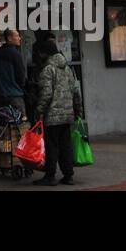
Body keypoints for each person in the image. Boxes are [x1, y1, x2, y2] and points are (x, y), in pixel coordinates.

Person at [32, 37, 81, 186]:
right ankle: (68, 175)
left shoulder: (48, 69)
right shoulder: (66, 68)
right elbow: (75, 90)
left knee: (51, 145)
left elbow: (46, 94)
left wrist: (38, 111)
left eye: (39, 53)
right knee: (65, 145)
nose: (38, 56)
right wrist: (77, 109)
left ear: (44, 53)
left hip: (52, 115)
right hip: (67, 114)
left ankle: (50, 176)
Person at [0, 28, 27, 116]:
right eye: (17, 36)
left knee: (2, 124)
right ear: (9, 38)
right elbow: (21, 76)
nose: (19, 38)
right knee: (20, 125)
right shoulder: (15, 54)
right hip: (15, 95)